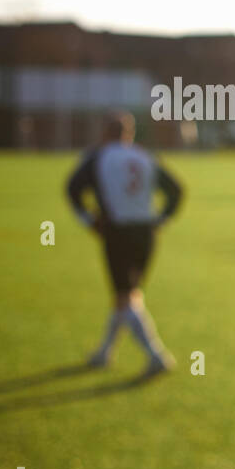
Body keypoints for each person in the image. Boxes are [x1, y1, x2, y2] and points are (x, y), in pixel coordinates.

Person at [66, 112, 182, 375]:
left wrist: (88, 220)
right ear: (129, 134)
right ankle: (104, 353)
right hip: (146, 233)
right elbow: (176, 190)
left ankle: (156, 355)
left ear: (106, 133)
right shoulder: (145, 156)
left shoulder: (98, 157)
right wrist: (162, 219)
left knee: (125, 295)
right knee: (127, 294)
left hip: (117, 231)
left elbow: (72, 188)